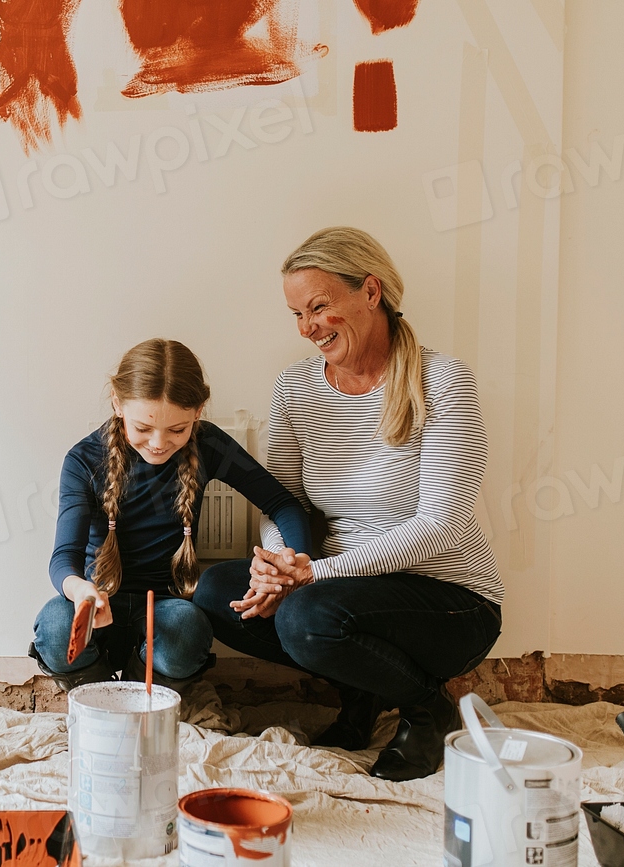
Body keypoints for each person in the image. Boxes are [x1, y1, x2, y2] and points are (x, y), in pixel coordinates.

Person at [193, 227, 503, 782]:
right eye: (296, 314)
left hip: (449, 601)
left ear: (370, 292)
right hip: (329, 588)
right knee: (217, 592)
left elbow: (442, 527)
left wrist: (312, 574)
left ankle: (425, 709)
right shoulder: (295, 388)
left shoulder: (444, 380)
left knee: (310, 615)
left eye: (319, 307)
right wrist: (275, 565)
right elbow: (282, 501)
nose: (307, 327)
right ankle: (362, 695)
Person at [30, 338, 311, 691]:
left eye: (177, 429)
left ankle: (143, 696)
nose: (159, 443)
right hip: (100, 604)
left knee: (189, 630)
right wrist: (82, 592)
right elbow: (63, 558)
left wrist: (298, 560)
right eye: (143, 428)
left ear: (198, 411)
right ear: (118, 405)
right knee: (55, 629)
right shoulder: (84, 459)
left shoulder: (209, 444)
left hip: (165, 609)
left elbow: (282, 503)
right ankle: (102, 700)